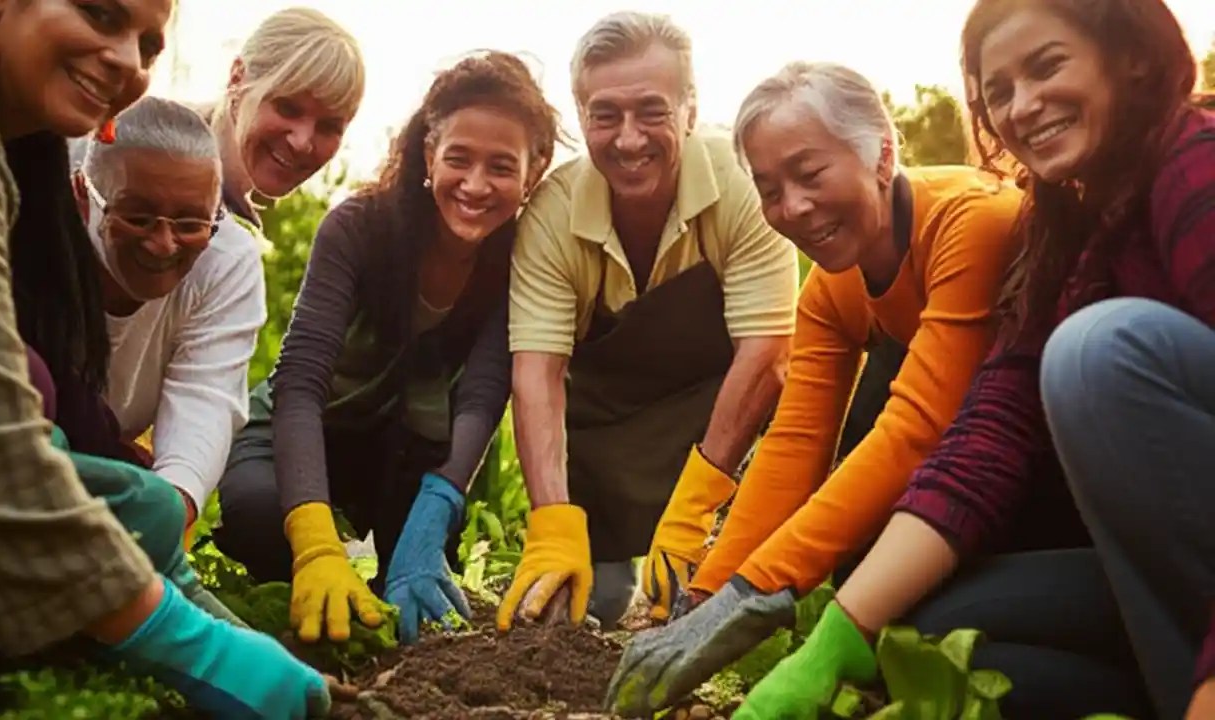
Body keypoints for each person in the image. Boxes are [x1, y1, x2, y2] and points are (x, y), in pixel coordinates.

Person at [734, 1, 1215, 719]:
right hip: (1167, 577)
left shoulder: (1197, 164)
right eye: (999, 92)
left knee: (1098, 354)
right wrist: (839, 634)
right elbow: (988, 437)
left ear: (1132, 57)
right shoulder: (1069, 235)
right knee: (921, 636)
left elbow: (922, 425)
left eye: (1047, 66)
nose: (1023, 106)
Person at [0, 2, 330, 717]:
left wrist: (168, 541)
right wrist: (185, 641)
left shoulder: (14, 144)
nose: (124, 59)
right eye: (99, 12)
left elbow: (202, 401)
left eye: (147, 43)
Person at [606, 61, 1027, 717]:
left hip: (1043, 481)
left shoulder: (971, 221)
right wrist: (705, 598)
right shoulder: (834, 287)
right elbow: (794, 444)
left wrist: (758, 592)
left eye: (810, 174)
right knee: (883, 615)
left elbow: (915, 428)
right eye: (770, 190)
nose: (792, 208)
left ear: (881, 153)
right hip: (954, 492)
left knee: (927, 637)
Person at [215, 51, 563, 646]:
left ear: (532, 174)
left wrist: (439, 506)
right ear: (429, 156)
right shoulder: (359, 228)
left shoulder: (520, 259)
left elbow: (483, 395)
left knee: (419, 584)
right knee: (259, 520)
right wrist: (316, 541)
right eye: (459, 159)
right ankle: (331, 560)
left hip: (404, 454)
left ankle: (385, 571)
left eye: (501, 167)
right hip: (300, 433)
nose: (476, 185)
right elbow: (300, 381)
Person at [500, 10, 799, 633]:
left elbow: (768, 354)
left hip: (721, 422)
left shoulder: (741, 186)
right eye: (605, 115)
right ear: (581, 117)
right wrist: (553, 521)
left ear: (690, 108)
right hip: (608, 439)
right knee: (591, 608)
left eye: (652, 112)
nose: (629, 138)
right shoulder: (552, 214)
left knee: (728, 606)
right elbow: (537, 372)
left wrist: (695, 511)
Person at [68, 96, 266, 539]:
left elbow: (206, 395)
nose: (163, 244)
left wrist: (168, 507)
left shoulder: (227, 261)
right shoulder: (35, 227)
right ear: (82, 195)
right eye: (137, 219)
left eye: (190, 224)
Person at [205, 6, 364, 229]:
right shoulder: (156, 170)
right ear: (237, 78)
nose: (302, 142)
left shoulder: (232, 220)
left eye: (328, 127)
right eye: (288, 108)